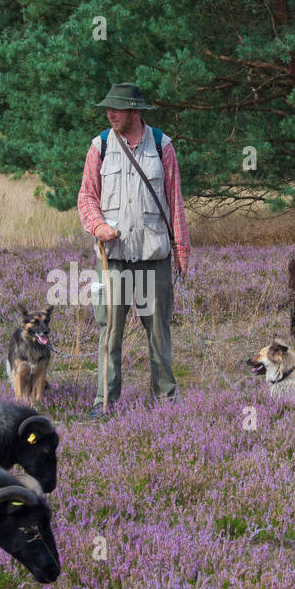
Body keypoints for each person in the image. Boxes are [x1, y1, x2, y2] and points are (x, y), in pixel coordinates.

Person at [77, 82, 190, 417]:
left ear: (136, 111)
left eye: (117, 108)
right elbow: (86, 197)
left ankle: (166, 400)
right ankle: (105, 402)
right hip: (112, 259)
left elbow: (176, 202)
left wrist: (182, 251)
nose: (110, 113)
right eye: (108, 109)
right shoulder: (99, 146)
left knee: (159, 333)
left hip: (154, 256)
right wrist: (98, 226)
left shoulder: (162, 146)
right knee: (109, 333)